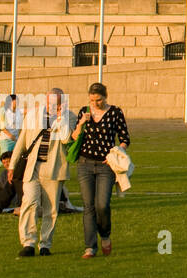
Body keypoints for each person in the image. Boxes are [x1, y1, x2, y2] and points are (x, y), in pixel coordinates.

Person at [12, 88, 75, 257]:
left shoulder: (70, 117)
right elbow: (22, 140)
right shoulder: (33, 114)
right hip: (33, 167)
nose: (52, 105)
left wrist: (62, 118)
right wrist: (12, 165)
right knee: (30, 202)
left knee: (51, 209)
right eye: (49, 102)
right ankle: (28, 242)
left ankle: (45, 244)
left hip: (54, 168)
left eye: (56, 103)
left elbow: (66, 138)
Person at [71, 83, 130, 259]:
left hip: (106, 165)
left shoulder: (115, 112)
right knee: (88, 206)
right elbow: (74, 137)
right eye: (92, 100)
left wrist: (117, 152)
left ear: (105, 97)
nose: (95, 103)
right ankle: (90, 247)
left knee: (102, 205)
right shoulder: (84, 111)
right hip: (85, 164)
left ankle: (105, 235)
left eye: (99, 100)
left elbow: (125, 138)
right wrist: (81, 123)